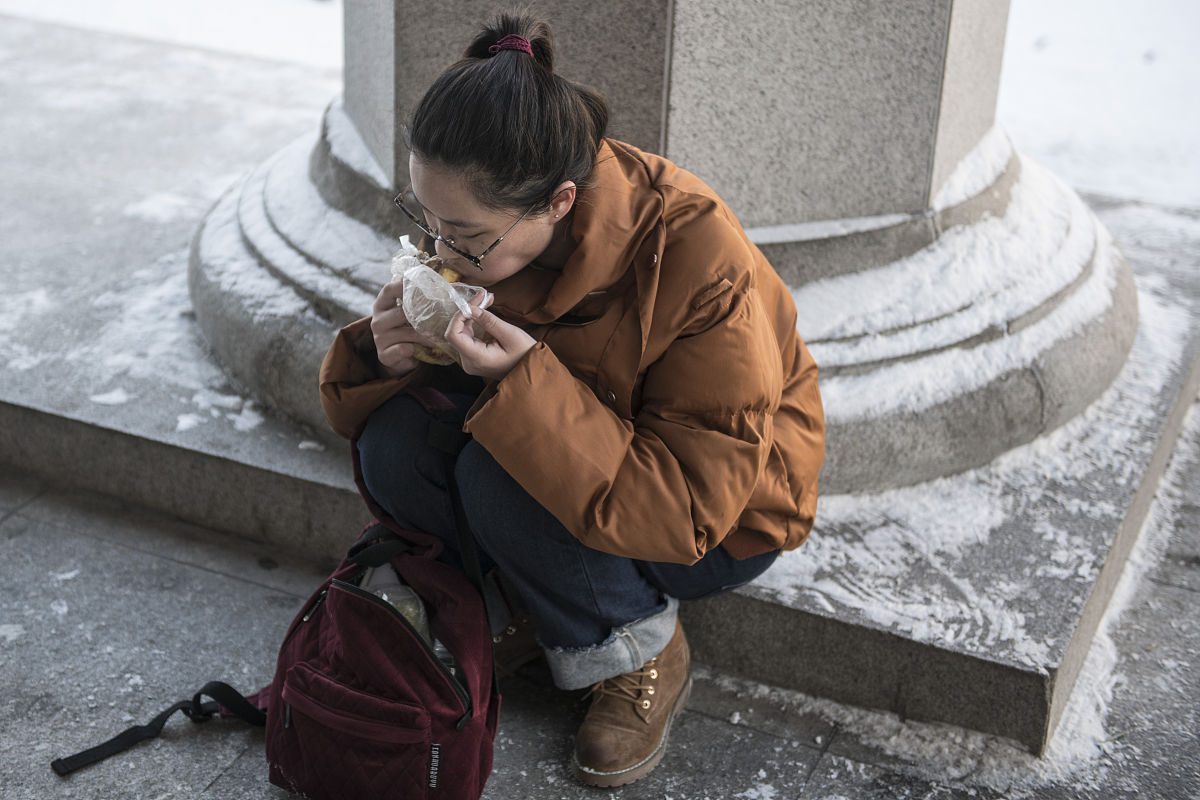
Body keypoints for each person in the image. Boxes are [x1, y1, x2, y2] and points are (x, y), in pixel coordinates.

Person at [318, 12, 824, 788]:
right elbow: (416, 400)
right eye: (426, 222)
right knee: (394, 439)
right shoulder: (493, 212)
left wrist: (527, 389)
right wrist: (382, 354)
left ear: (557, 203)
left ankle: (639, 649)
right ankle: (514, 609)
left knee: (501, 478)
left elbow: (688, 512)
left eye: (465, 237)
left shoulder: (694, 255)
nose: (442, 254)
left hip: (726, 520)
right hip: (598, 469)